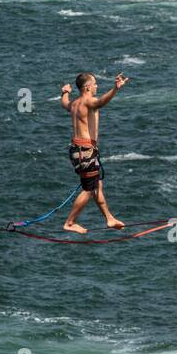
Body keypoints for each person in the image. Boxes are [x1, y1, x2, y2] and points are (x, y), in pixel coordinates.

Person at [59, 71, 129, 233]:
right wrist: (116, 88)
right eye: (95, 84)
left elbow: (64, 103)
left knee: (97, 184)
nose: (97, 86)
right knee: (89, 190)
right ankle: (69, 222)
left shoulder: (74, 104)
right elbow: (101, 102)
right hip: (86, 152)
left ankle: (110, 219)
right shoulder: (88, 102)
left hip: (79, 151)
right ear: (88, 87)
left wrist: (65, 92)